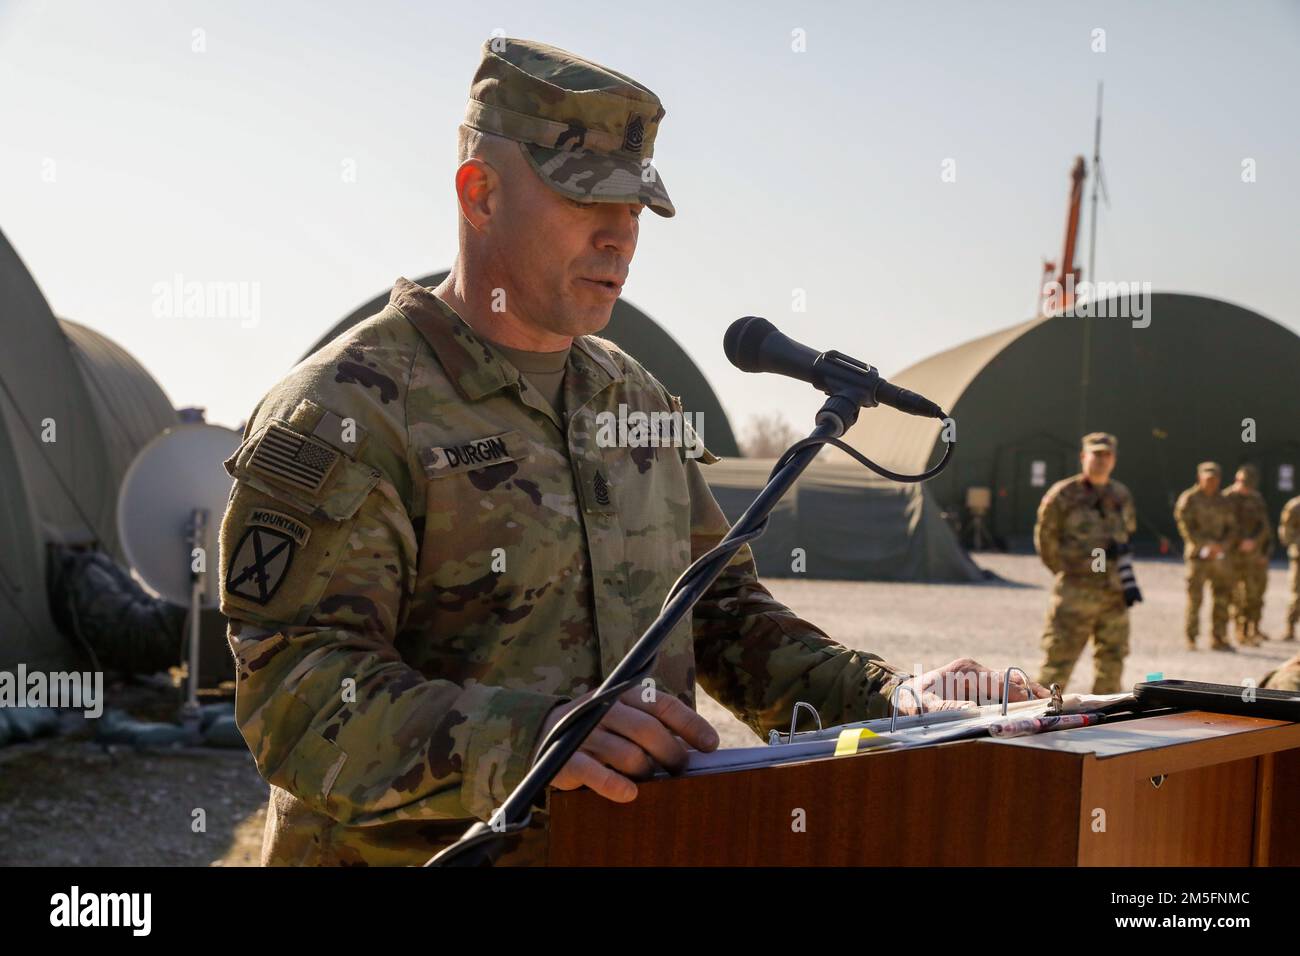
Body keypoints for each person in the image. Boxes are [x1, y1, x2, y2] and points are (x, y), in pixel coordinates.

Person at [217, 37, 1045, 867]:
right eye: (587, 201)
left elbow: (721, 619)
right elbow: (295, 695)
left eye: (637, 209)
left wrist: (892, 698)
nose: (622, 237)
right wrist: (531, 741)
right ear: (480, 194)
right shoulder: (347, 410)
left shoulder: (635, 400)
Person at [1033, 432, 1137, 694]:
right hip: (1075, 593)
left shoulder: (1121, 494)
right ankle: (1040, 718)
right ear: (1083, 457)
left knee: (1112, 662)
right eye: (1096, 454)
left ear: (1113, 459)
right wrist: (1071, 571)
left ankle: (1106, 720)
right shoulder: (1064, 494)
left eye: (1107, 455)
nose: (1101, 460)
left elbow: (1127, 534)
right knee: (1057, 665)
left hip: (1113, 594)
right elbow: (1046, 541)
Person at [1174, 462, 1237, 651]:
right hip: (1198, 556)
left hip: (1220, 557)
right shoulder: (1189, 499)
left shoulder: (1224, 501)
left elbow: (1232, 528)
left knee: (1222, 597)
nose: (1211, 482)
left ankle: (1218, 637)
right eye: (1207, 478)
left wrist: (1221, 546)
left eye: (1214, 478)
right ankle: (1191, 637)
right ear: (1199, 477)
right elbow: (1185, 526)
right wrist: (1204, 545)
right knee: (1195, 599)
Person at [1222, 465, 1271, 646]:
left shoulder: (1256, 499)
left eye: (1248, 484)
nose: (1244, 486)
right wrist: (1238, 542)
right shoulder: (1226, 498)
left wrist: (1257, 545)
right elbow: (1222, 529)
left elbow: (1264, 527)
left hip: (1252, 555)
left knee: (1254, 594)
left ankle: (1252, 629)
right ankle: (1238, 632)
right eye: (1242, 482)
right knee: (1235, 596)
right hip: (1232, 556)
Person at [1279, 494, 1300, 642]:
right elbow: (1285, 531)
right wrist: (1297, 545)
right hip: (1299, 557)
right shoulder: (1295, 506)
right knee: (1297, 593)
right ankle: (1290, 627)